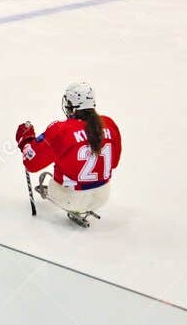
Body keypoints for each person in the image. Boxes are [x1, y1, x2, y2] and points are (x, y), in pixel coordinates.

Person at [16, 82, 122, 227]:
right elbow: (114, 163)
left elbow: (31, 163)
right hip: (103, 195)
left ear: (72, 105)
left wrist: (26, 140)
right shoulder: (109, 124)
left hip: (70, 198)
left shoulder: (61, 130)